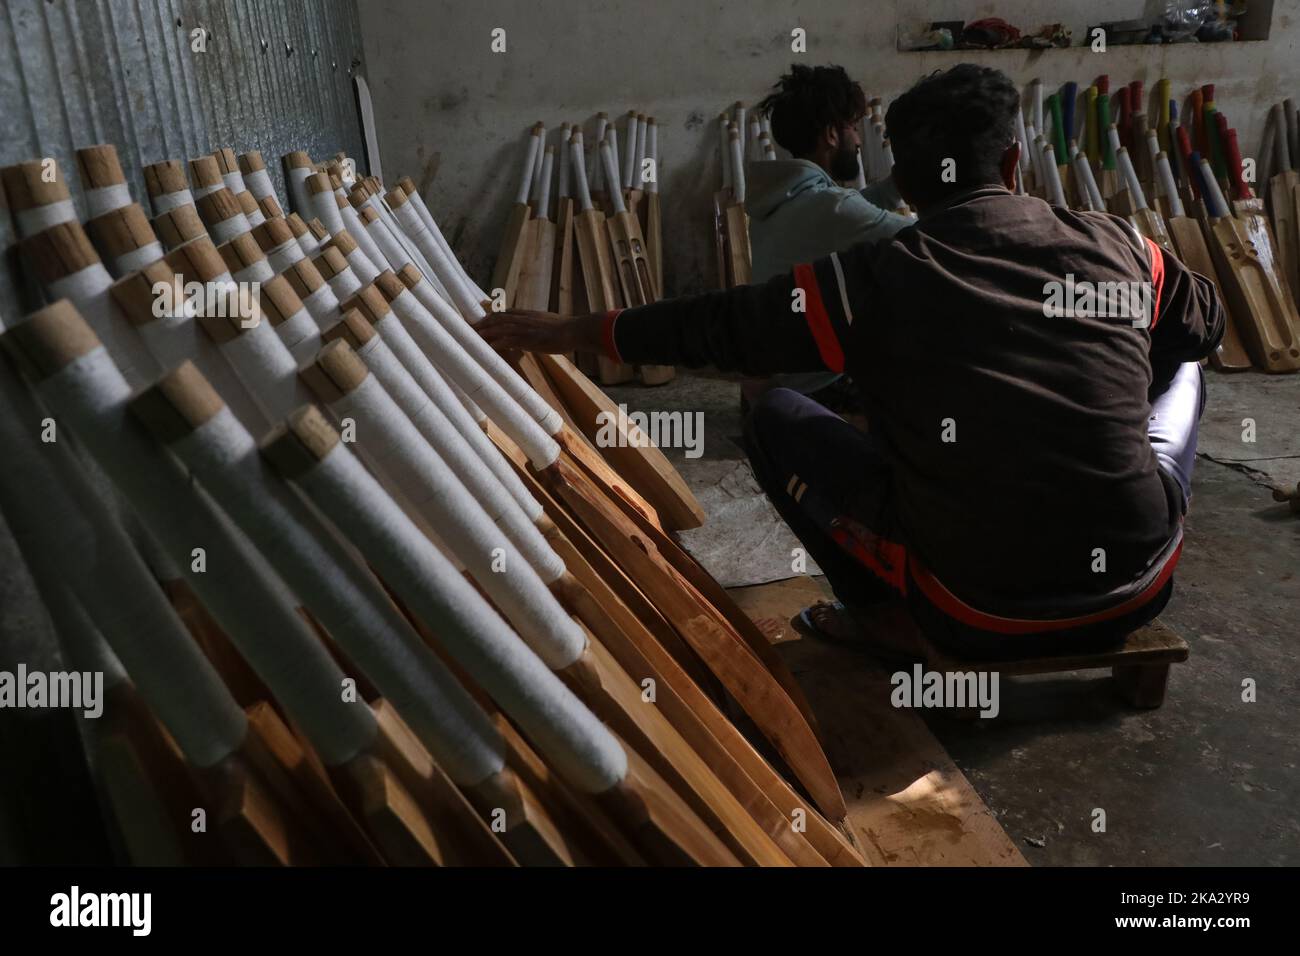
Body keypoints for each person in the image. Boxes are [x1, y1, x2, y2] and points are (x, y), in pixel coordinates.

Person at [480, 64, 1223, 661]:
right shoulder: (1124, 246)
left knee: (773, 413)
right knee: (1184, 363)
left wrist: (565, 329)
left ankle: (881, 619)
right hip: (1136, 590)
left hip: (971, 614)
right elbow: (1208, 324)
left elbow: (714, 326)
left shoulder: (874, 278)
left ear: (903, 179)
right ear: (1014, 160)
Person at [745, 65, 913, 411]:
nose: (857, 139)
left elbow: (849, 210)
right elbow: (921, 236)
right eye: (852, 127)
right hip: (820, 390)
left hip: (777, 380)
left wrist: (898, 184)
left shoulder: (779, 200)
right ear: (831, 135)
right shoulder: (832, 209)